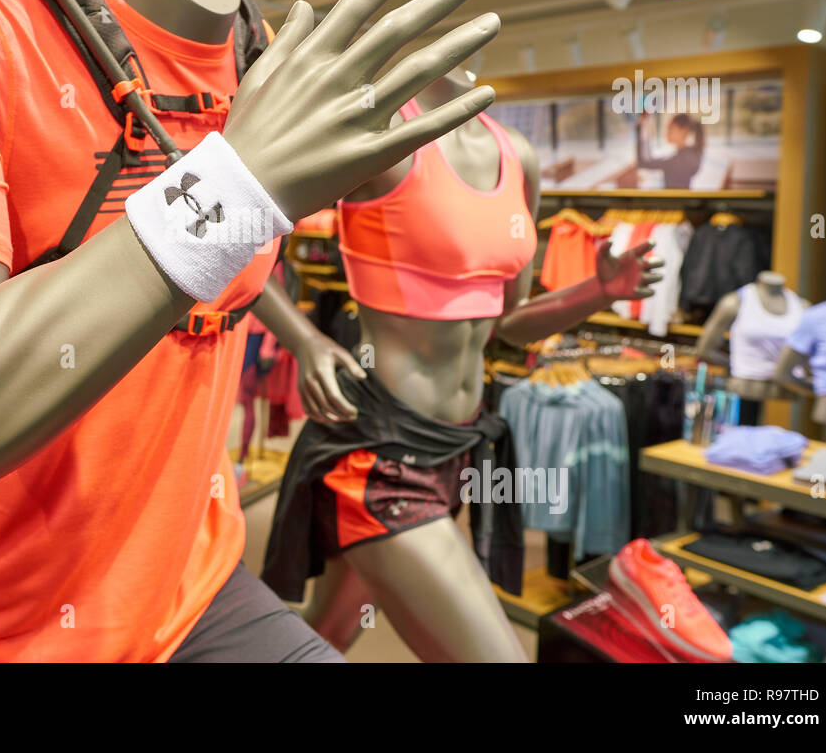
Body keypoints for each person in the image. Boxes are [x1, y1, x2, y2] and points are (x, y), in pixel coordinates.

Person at [0, 0, 503, 662]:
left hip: (194, 579)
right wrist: (231, 191)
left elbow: (241, 279)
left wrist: (302, 328)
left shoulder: (266, 71)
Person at [257, 75, 663, 662]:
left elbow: (511, 320)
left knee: (327, 635)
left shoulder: (515, 155)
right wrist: (306, 339)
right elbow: (233, 228)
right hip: (379, 453)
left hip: (456, 450)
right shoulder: (386, 133)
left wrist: (598, 292)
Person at [637, 111, 704, 188]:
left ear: (683, 131)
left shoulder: (681, 160)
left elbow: (644, 162)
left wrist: (642, 128)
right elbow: (646, 161)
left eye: (670, 128)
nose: (667, 132)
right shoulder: (688, 155)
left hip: (675, 200)